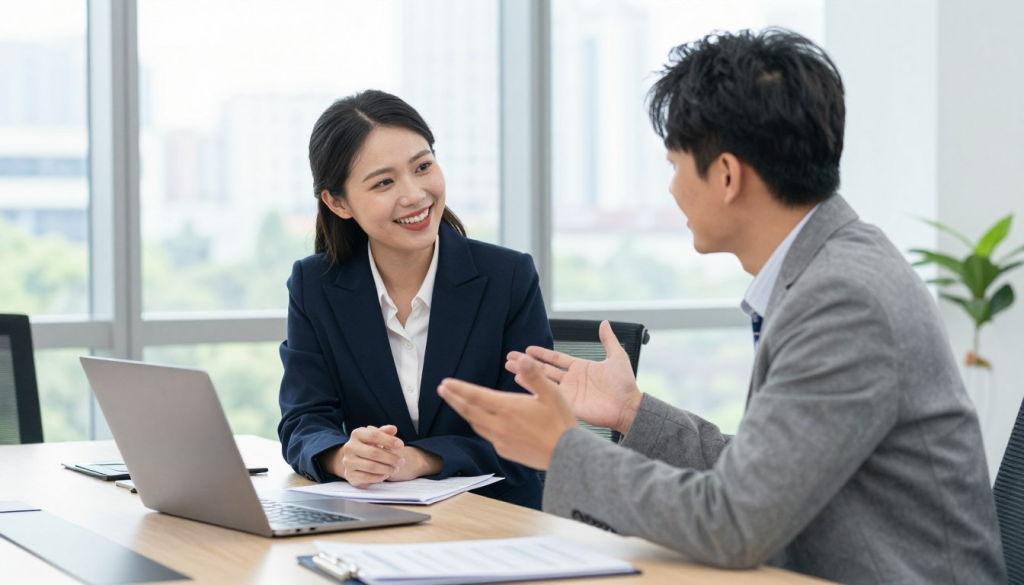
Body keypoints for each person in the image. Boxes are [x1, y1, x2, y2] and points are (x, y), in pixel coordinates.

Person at [438, 29, 1006, 582]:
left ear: (728, 174)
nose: (671, 190)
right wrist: (632, 412)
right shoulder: (834, 265)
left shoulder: (843, 298)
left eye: (675, 165)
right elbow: (764, 476)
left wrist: (562, 452)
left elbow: (733, 521)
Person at [278, 90, 551, 509]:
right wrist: (344, 456)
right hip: (375, 522)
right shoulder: (315, 285)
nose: (414, 194)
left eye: (423, 166)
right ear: (337, 202)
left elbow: (531, 430)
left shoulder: (508, 277)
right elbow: (303, 419)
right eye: (384, 182)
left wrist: (420, 459)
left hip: (498, 520)